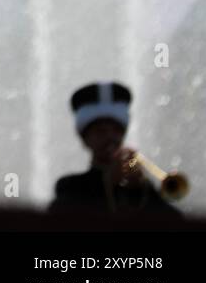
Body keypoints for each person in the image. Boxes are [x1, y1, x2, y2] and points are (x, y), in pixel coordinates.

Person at [49, 81, 181, 218]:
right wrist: (109, 182)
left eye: (117, 130)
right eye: (100, 131)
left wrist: (137, 189)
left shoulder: (144, 189)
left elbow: (174, 220)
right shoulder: (71, 186)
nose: (110, 137)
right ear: (85, 140)